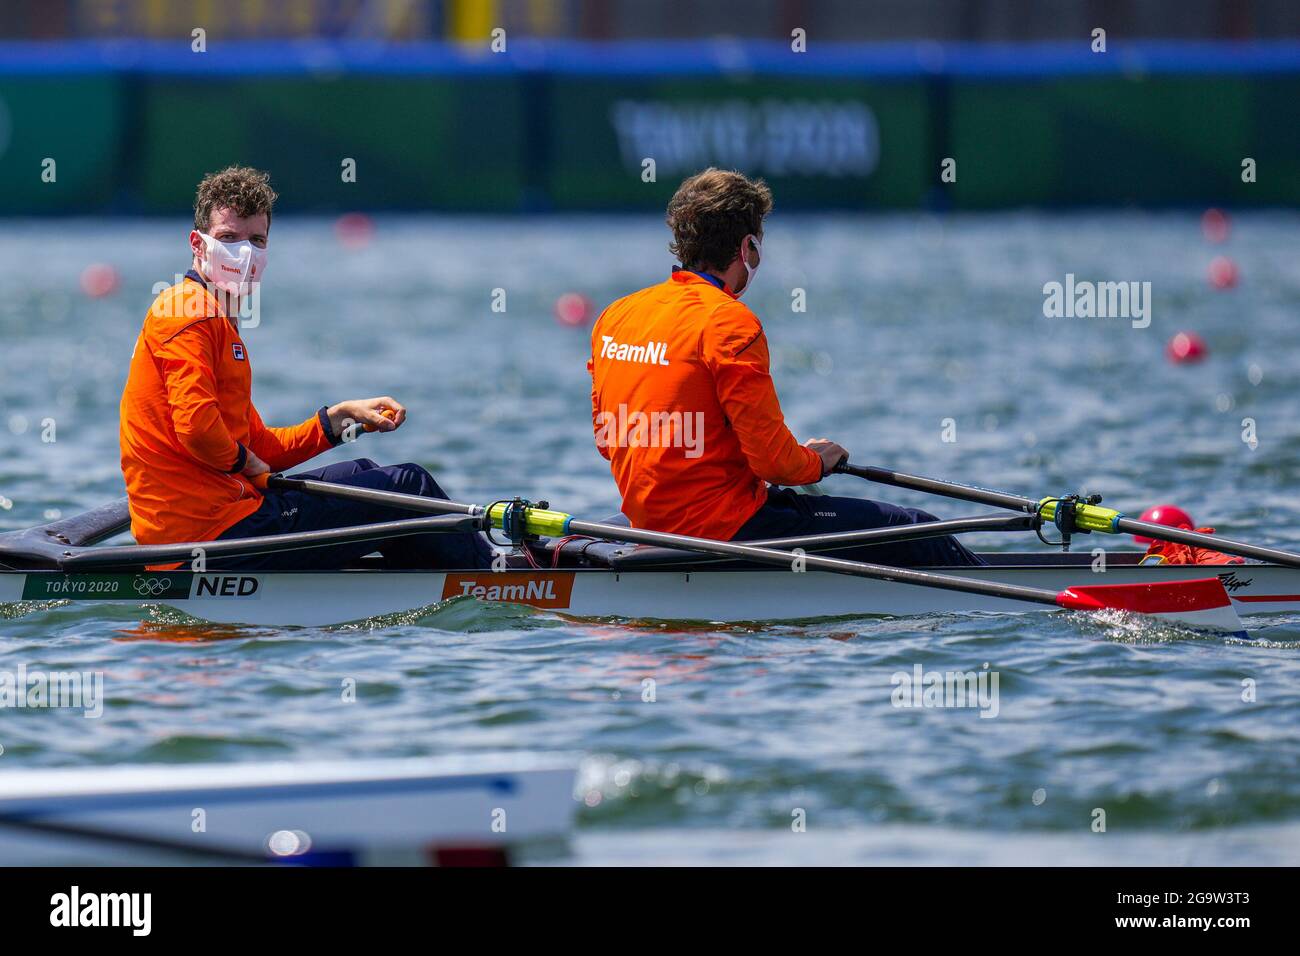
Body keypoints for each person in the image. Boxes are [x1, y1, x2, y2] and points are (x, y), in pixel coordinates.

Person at [587, 167, 982, 567]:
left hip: (649, 523)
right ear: (747, 247)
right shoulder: (729, 322)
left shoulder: (616, 315)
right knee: (914, 526)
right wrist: (815, 463)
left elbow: (608, 442)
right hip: (724, 530)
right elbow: (772, 462)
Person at [119, 166, 491, 571]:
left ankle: (428, 580)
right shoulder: (190, 312)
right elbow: (197, 429)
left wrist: (337, 420)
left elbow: (256, 445)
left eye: (256, 240)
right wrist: (246, 463)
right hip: (206, 537)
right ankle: (496, 580)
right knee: (408, 484)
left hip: (218, 517)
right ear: (198, 244)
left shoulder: (211, 314)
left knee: (364, 474)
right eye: (229, 238)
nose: (244, 253)